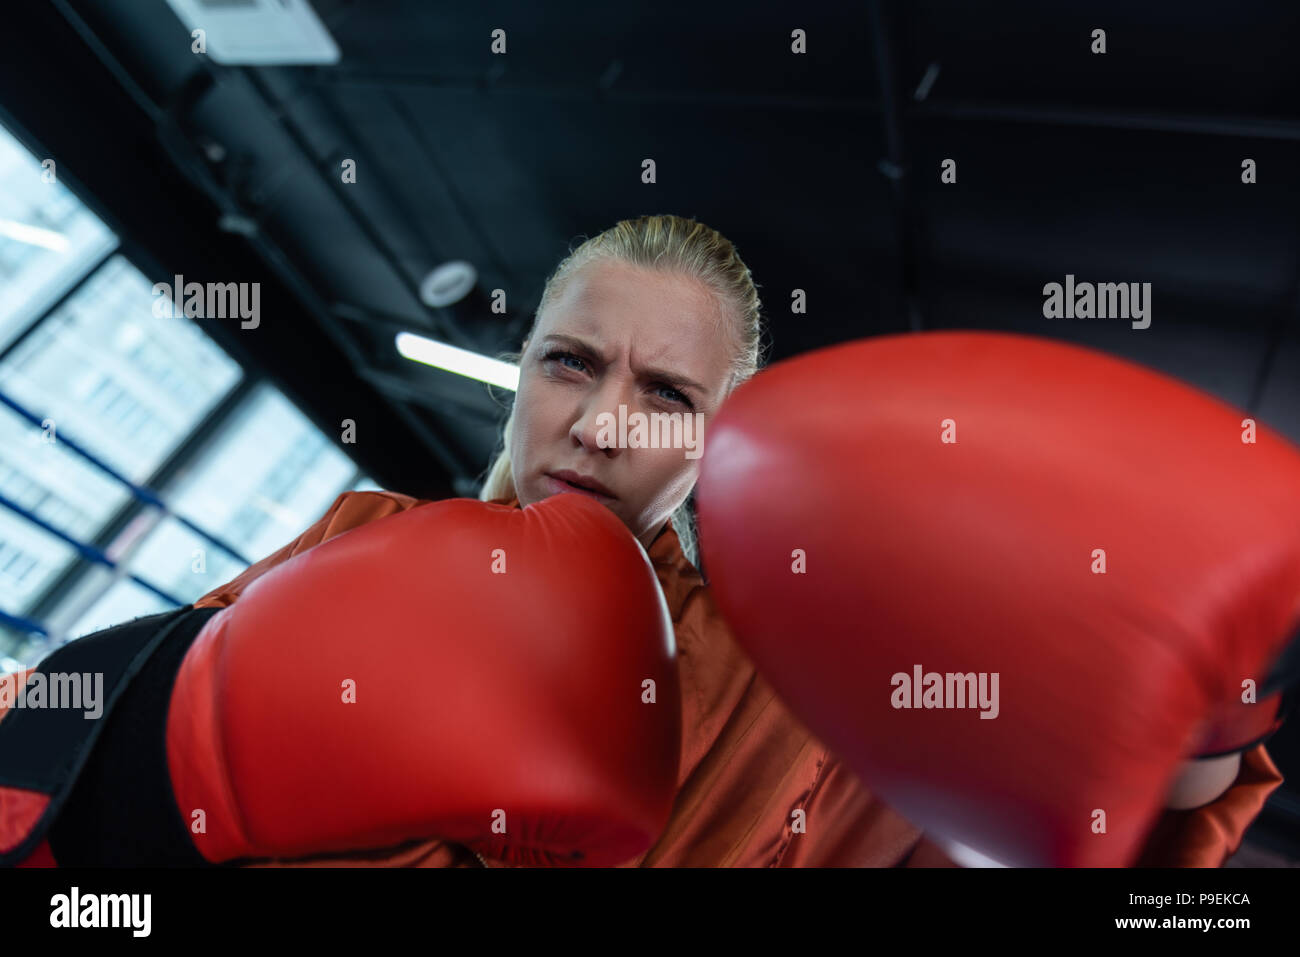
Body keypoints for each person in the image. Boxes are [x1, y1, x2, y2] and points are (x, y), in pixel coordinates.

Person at [0, 214, 1284, 867]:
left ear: (717, 439)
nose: (603, 423)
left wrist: (1189, 734)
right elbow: (40, 762)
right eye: (570, 363)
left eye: (666, 395)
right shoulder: (368, 539)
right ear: (521, 378)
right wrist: (158, 780)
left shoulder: (807, 689)